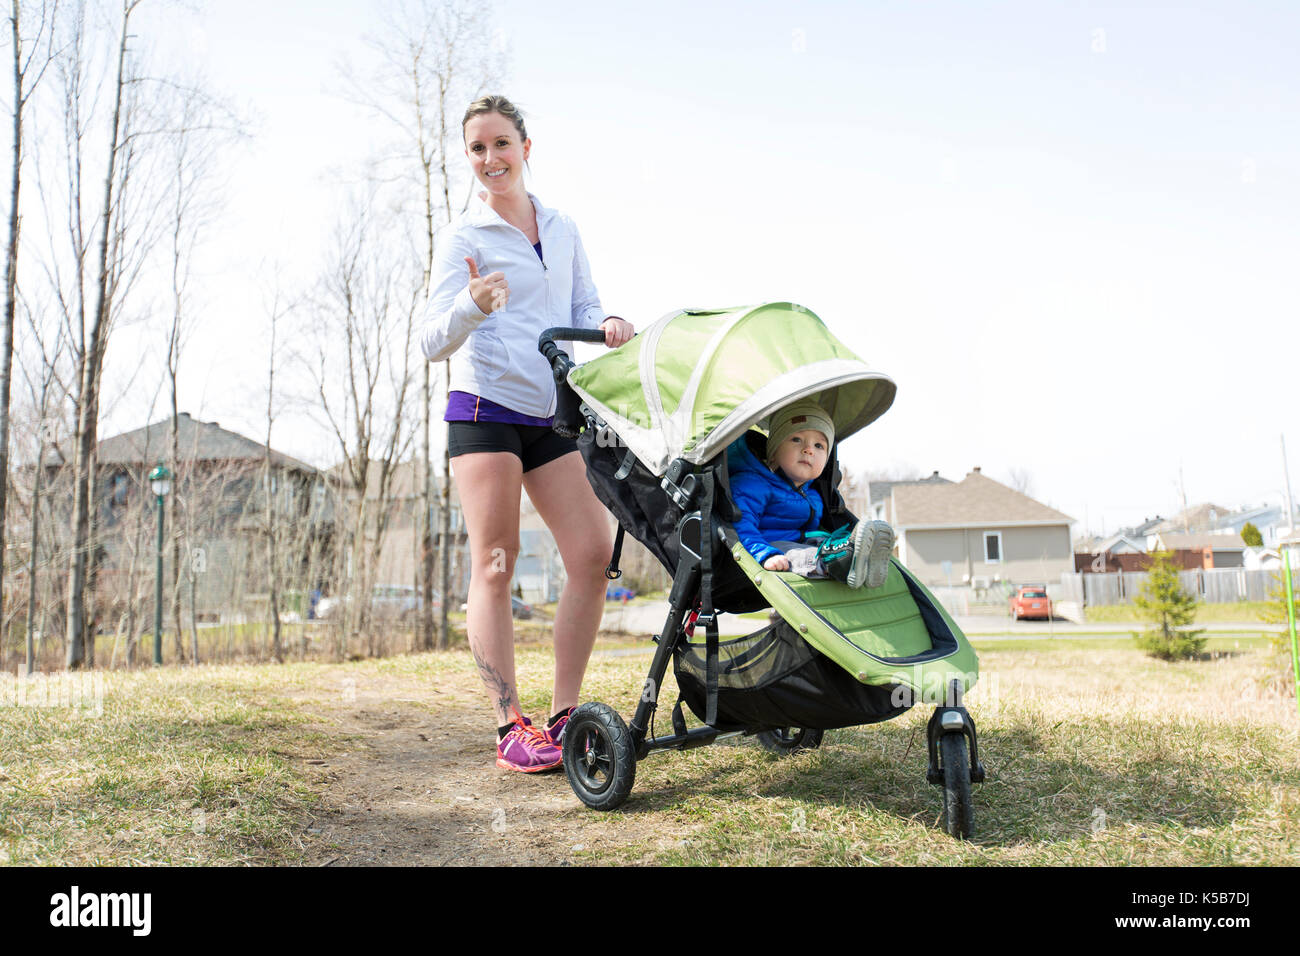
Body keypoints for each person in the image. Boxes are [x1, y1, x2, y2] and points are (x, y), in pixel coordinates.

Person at [420, 95, 634, 773]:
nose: (491, 160)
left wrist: (608, 326)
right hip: (483, 409)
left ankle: (565, 715)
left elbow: (585, 305)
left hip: (549, 413)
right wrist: (470, 305)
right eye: (478, 149)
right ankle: (509, 724)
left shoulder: (562, 226)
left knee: (592, 555)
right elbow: (432, 341)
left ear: (526, 146)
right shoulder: (465, 240)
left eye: (501, 144)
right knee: (496, 562)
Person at [726, 399, 896, 589]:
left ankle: (857, 557)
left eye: (819, 446)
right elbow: (739, 526)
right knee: (799, 554)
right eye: (796, 439)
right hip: (769, 545)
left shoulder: (814, 494)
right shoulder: (752, 483)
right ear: (773, 452)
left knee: (823, 541)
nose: (808, 449)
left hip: (802, 541)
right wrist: (764, 553)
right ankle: (838, 562)